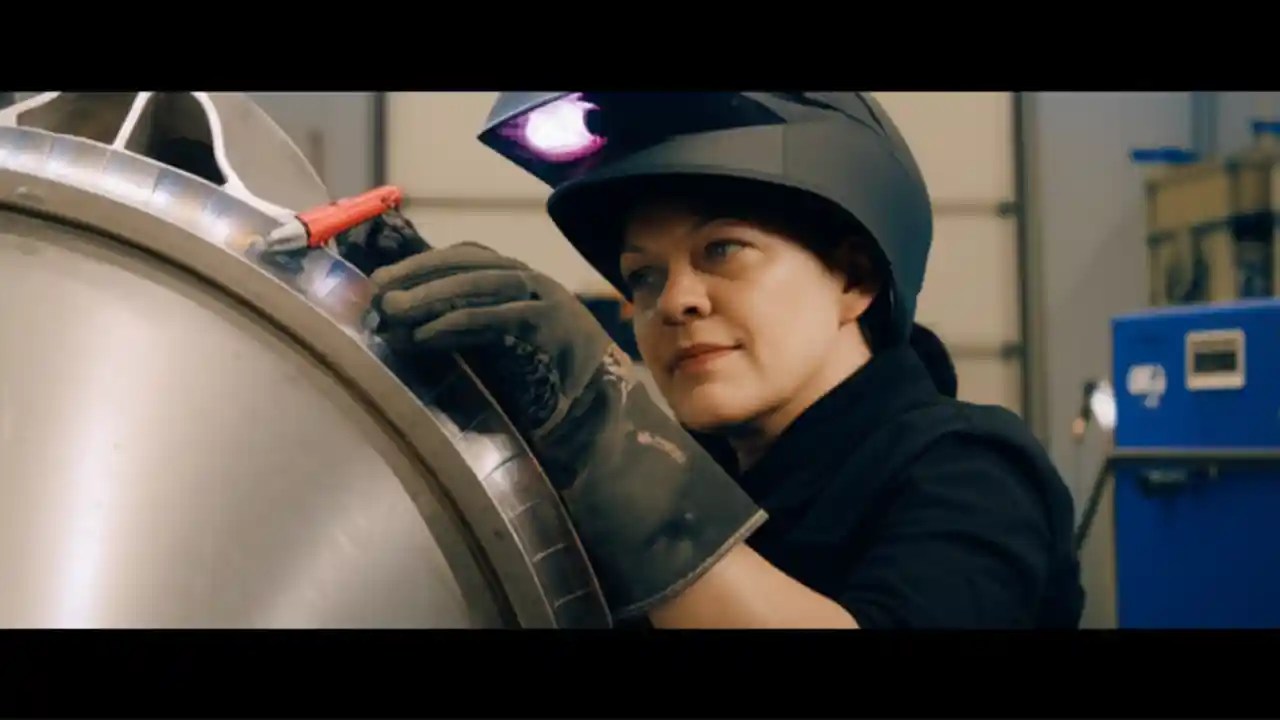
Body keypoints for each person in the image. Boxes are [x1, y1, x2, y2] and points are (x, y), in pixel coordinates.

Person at [335, 92, 1084, 629]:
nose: (674, 302)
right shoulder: (707, 473)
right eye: (643, 276)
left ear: (853, 280)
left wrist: (597, 418)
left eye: (722, 250)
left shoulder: (972, 468)